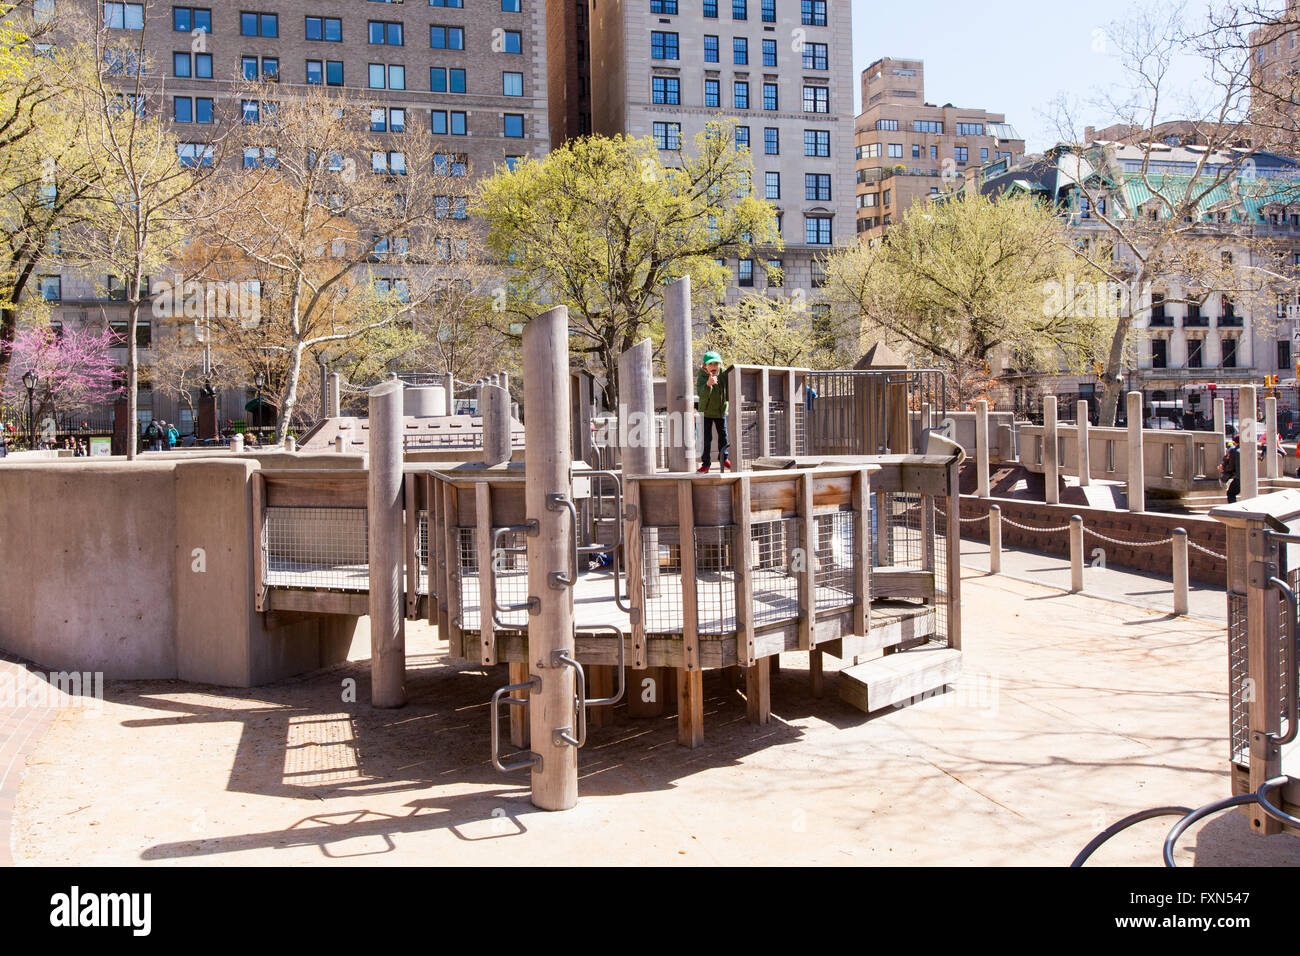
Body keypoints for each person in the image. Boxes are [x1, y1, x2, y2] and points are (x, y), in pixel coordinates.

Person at [695, 350, 730, 472]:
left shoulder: (724, 373)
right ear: (705, 366)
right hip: (706, 412)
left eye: (716, 364)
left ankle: (724, 458)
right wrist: (708, 385)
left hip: (720, 411)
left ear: (720, 365)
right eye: (710, 364)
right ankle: (706, 464)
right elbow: (701, 394)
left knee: (723, 436)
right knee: (706, 439)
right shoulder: (702, 376)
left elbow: (730, 387)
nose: (714, 367)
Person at [1221, 432, 1241, 504]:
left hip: (1239, 477)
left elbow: (1231, 466)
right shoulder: (1248, 450)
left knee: (1231, 493)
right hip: (1249, 477)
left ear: (1235, 442)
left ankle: (1234, 509)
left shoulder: (1235, 451)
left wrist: (1223, 469)